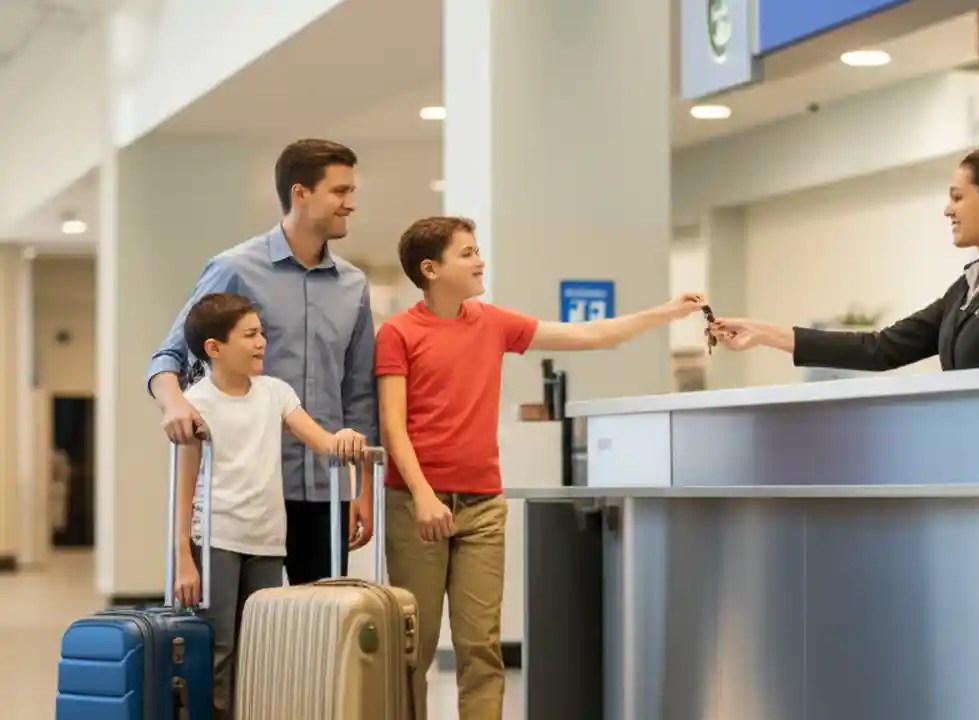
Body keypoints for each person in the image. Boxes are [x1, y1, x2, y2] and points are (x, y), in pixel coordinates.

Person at [376, 216, 705, 719]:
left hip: (483, 505)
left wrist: (665, 312)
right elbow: (393, 426)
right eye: (466, 253)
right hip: (416, 505)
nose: (479, 260)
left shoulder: (493, 322)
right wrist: (421, 494)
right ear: (431, 269)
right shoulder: (398, 333)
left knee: (480, 648)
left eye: (476, 250)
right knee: (412, 650)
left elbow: (592, 334)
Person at [147, 138, 377, 584]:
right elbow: (168, 356)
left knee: (324, 630)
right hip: (246, 493)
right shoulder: (235, 268)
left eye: (352, 192)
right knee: (245, 633)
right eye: (340, 191)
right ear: (300, 193)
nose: (350, 203)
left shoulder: (354, 285)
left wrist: (361, 488)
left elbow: (359, 393)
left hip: (326, 489)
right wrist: (175, 404)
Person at [171, 292, 366, 719]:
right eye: (250, 335)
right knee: (218, 646)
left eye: (262, 334)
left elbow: (324, 443)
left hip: (266, 539)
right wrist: (183, 554)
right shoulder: (197, 405)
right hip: (216, 540)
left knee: (260, 646)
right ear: (214, 348)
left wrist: (346, 437)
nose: (262, 343)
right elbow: (183, 487)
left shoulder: (275, 392)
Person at [711, 148, 979, 371]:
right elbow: (880, 349)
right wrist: (765, 333)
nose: (948, 210)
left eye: (958, 198)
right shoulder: (965, 289)